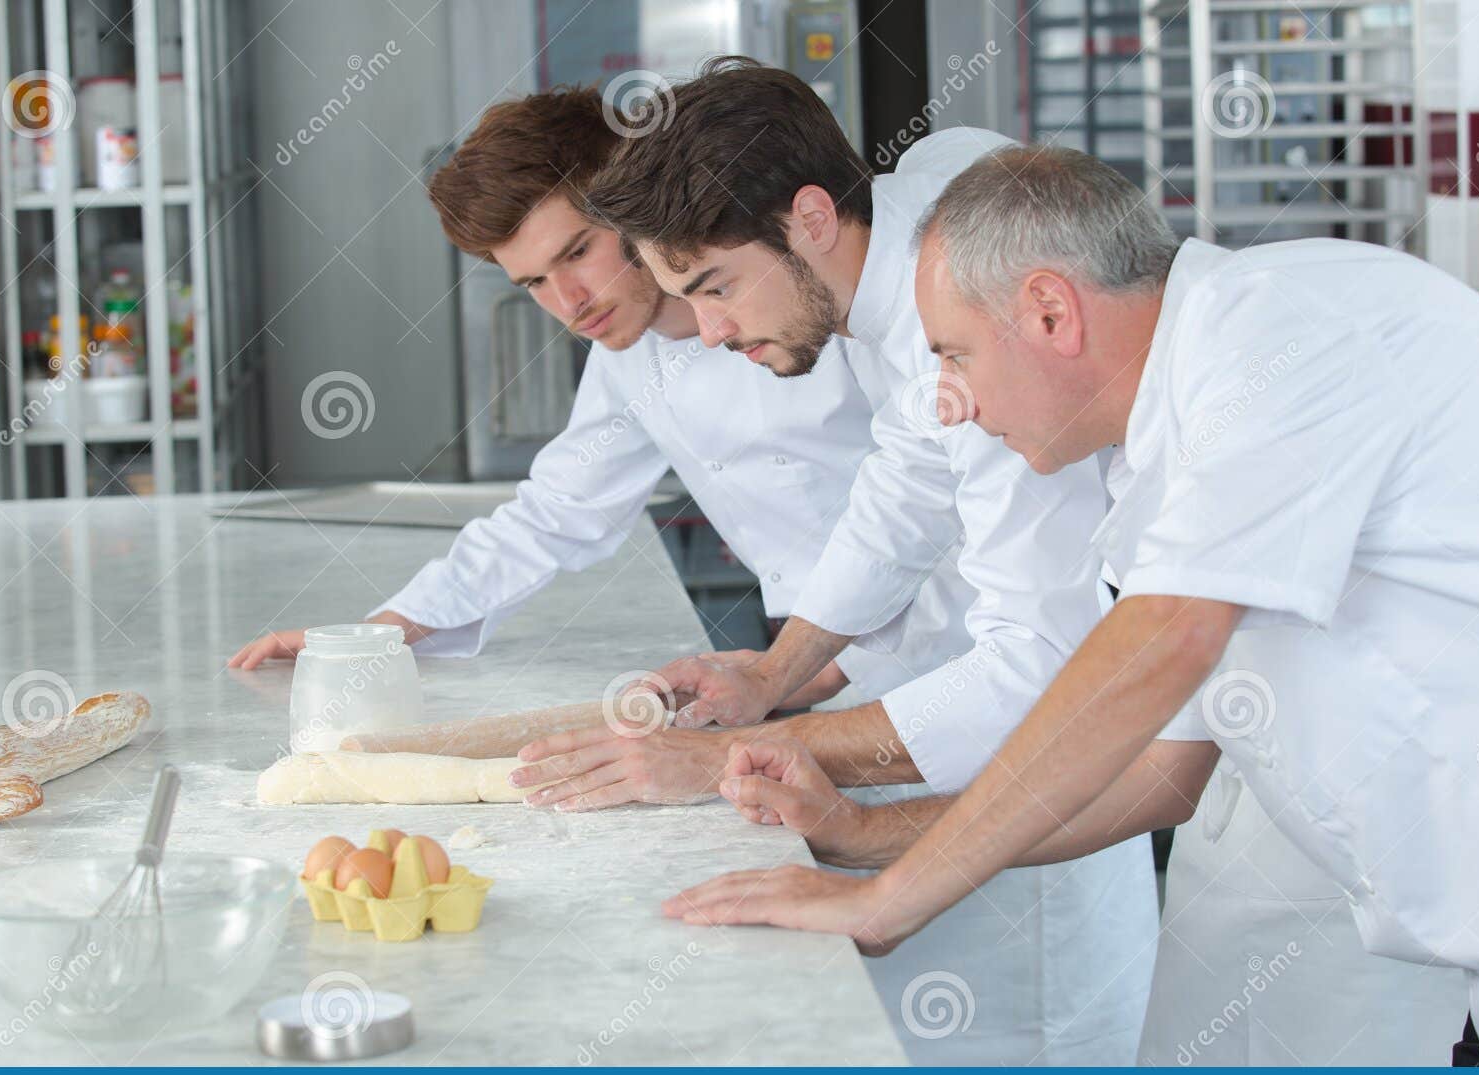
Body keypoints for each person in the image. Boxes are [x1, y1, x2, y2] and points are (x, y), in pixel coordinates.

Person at [667, 143, 1479, 1067]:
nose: (950, 406)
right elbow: (1161, 770)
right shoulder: (1162, 449)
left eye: (953, 356)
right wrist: (865, 838)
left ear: (1050, 311)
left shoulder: (1276, 331)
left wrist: (894, 898)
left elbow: (1165, 640)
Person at [520, 59, 1160, 1066]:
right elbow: (902, 488)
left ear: (810, 214)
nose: (712, 330)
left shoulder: (970, 307)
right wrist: (774, 673)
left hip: (1091, 789)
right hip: (1046, 753)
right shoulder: (894, 256)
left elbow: (1038, 668)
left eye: (717, 287)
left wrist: (740, 755)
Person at [227, 87, 969, 747]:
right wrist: (378, 636)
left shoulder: (814, 295)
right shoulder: (630, 352)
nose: (570, 303)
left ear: (628, 207)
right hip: (818, 668)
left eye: (578, 252)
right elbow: (555, 512)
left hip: (957, 656)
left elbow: (928, 505)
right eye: (533, 284)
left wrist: (813, 669)